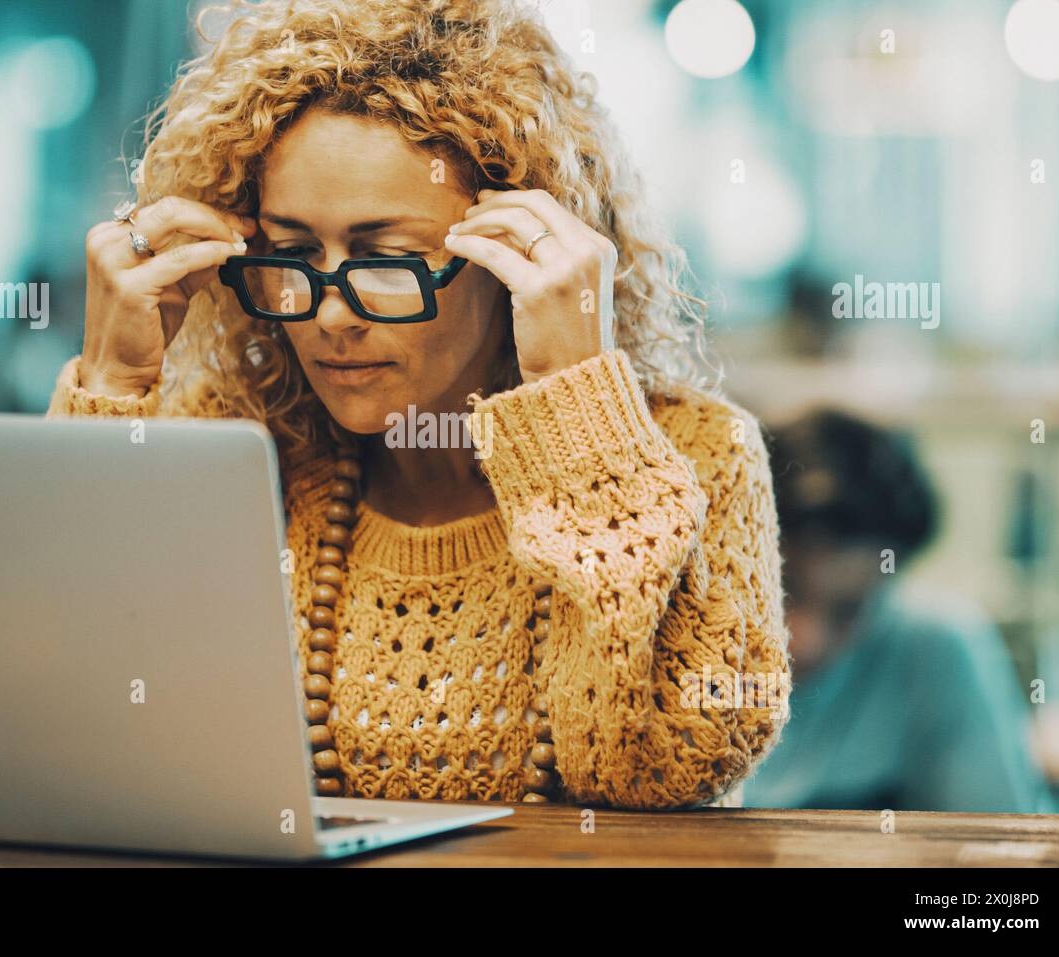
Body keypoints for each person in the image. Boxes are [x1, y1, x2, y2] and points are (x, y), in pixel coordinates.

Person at [46, 0, 790, 808]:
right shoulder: (231, 448)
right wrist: (111, 387)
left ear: (517, 257)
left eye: (387, 258)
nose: (331, 312)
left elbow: (673, 765)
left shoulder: (695, 455)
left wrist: (580, 413)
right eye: (292, 254)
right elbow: (69, 713)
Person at [747, 408, 1053, 812]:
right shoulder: (676, 657)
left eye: (848, 610)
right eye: (782, 595)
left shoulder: (936, 649)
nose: (805, 642)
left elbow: (1002, 843)